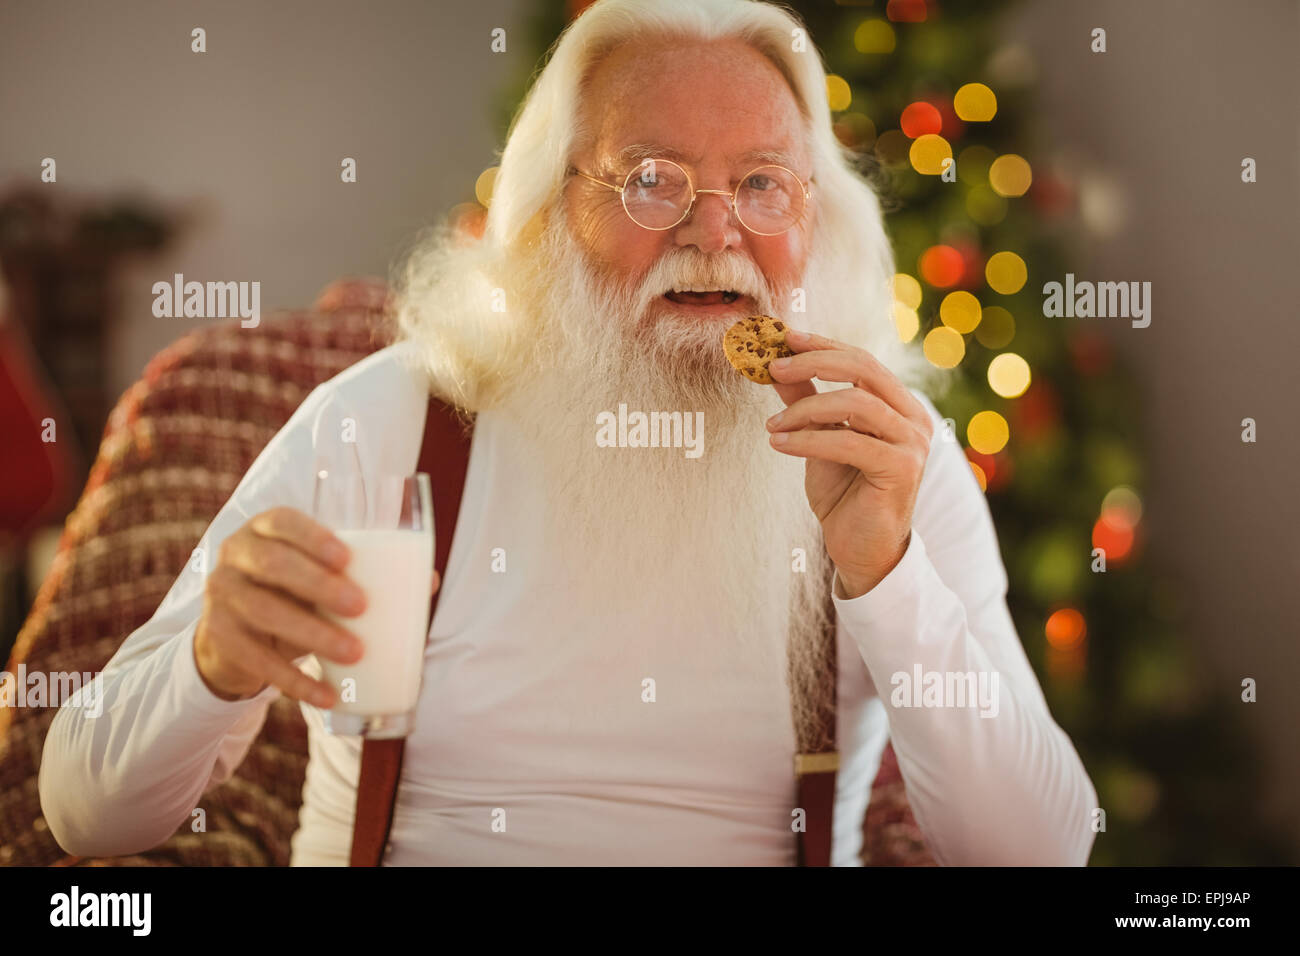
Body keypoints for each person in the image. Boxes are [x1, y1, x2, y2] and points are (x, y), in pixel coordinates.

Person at [40, 0, 1097, 865]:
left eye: (762, 184)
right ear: (547, 217)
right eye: (651, 179)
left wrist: (889, 575)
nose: (714, 229)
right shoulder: (390, 422)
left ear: (812, 218)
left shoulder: (884, 458)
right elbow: (84, 814)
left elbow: (1041, 852)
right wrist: (212, 665)